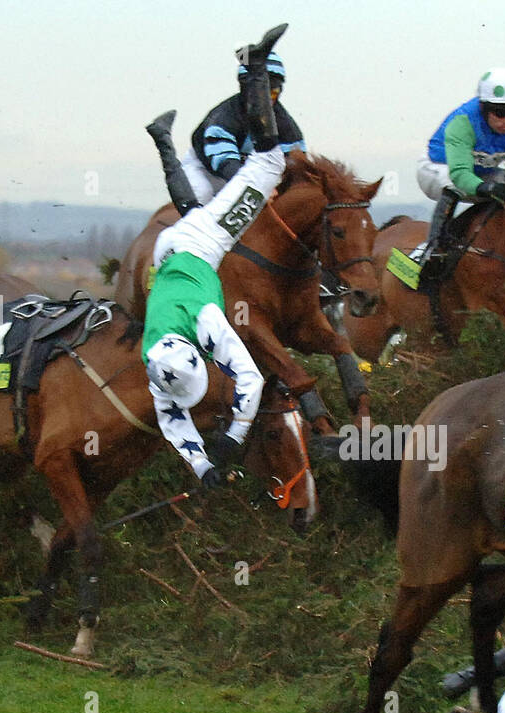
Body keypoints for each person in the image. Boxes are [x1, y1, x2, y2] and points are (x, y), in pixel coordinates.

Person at [140, 24, 290, 488]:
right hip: (166, 253)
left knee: (269, 163)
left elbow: (251, 380)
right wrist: (202, 468)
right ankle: (163, 140)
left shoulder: (205, 321)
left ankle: (258, 62)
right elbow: (174, 424)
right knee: (195, 213)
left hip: (199, 246)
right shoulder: (156, 361)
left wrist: (231, 438)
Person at [415, 67, 505, 272]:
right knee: (454, 185)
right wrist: (488, 189)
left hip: (477, 173)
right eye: (500, 113)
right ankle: (433, 249)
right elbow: (460, 174)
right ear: (484, 107)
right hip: (436, 169)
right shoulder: (463, 123)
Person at [175, 48, 306, 210]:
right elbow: (226, 162)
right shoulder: (224, 118)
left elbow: (297, 165)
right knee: (202, 194)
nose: (264, 102)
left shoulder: (285, 124)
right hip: (205, 171)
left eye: (271, 94)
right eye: (259, 94)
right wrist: (257, 188)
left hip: (246, 174)